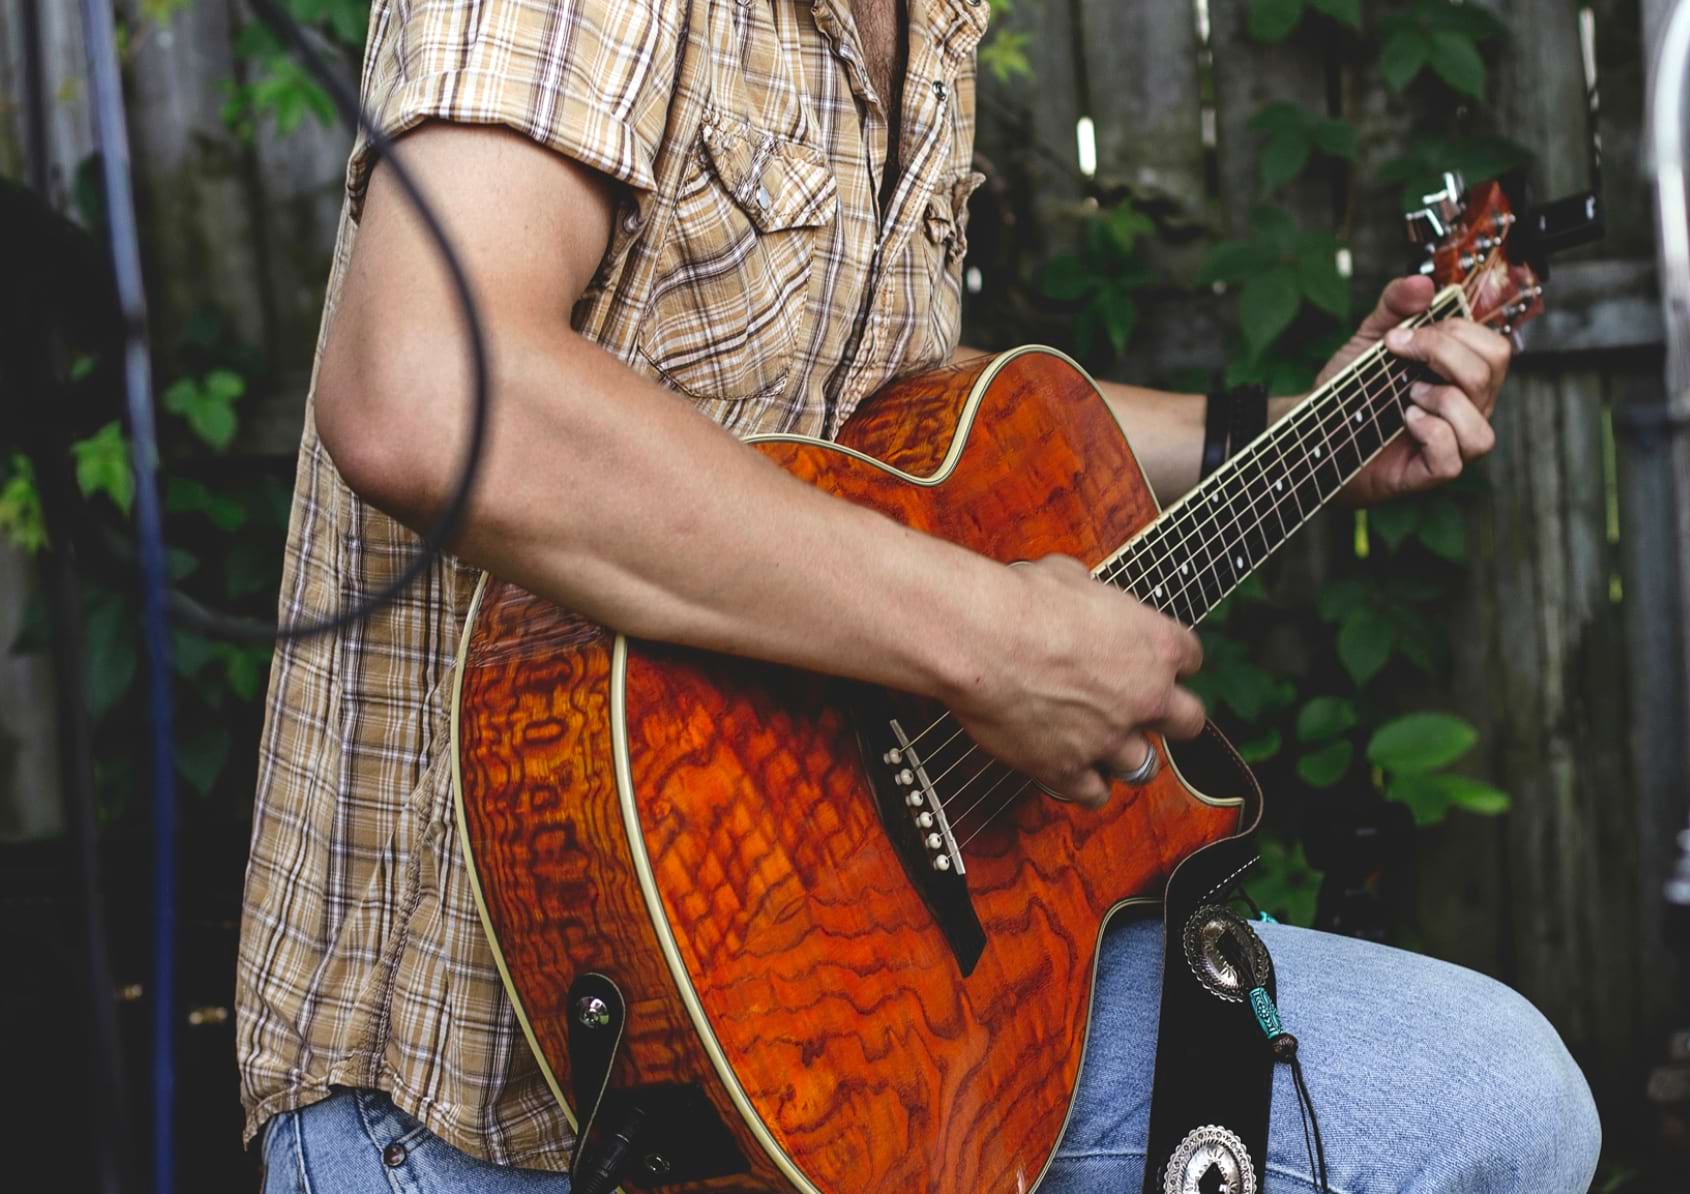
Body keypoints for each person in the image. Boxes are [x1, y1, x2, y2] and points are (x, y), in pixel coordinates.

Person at [236, 1, 1601, 1190]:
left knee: (1485, 1100)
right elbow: (427, 389)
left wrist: (1300, 423)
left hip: (870, 978)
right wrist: (987, 641)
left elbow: (899, 434)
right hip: (496, 1097)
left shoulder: (930, 18)